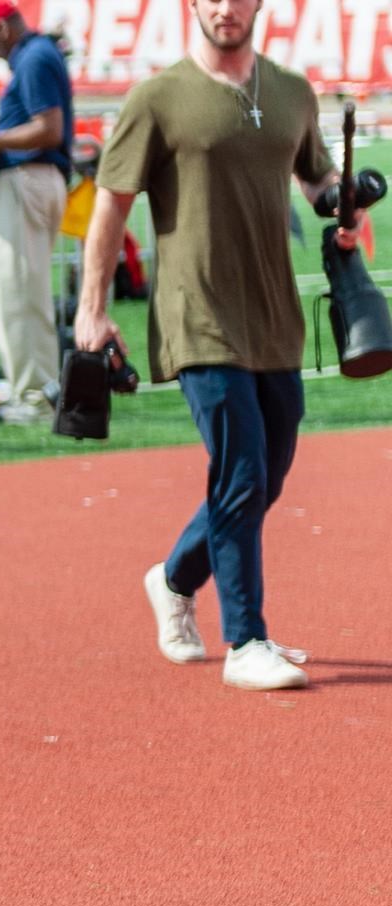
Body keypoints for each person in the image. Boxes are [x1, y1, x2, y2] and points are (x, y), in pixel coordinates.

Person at [74, 0, 349, 691]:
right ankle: (246, 641)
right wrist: (93, 309)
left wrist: (345, 203)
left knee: (269, 471)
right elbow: (111, 203)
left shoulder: (291, 92)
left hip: (276, 317)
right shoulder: (157, 98)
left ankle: (173, 579)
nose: (226, 6)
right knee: (243, 470)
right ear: (192, 5)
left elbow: (317, 179)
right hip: (196, 315)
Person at [0, 0, 73, 420]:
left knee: (18, 292)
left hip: (28, 179)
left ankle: (35, 394)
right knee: (19, 290)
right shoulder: (39, 54)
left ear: (2, 27)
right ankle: (33, 385)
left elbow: (49, 130)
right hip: (35, 180)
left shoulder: (35, 57)